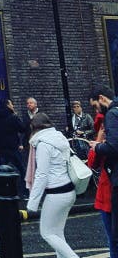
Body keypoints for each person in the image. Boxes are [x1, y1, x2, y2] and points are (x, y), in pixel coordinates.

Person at [25, 112, 79, 258]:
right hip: (69, 190)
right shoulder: (59, 137)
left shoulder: (43, 144)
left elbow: (41, 175)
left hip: (56, 193)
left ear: (34, 127)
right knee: (57, 233)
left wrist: (32, 203)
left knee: (47, 233)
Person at [91, 86, 118, 258]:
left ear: (101, 98)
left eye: (94, 106)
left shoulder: (109, 116)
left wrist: (97, 146)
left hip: (110, 185)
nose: (95, 110)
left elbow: (93, 161)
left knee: (114, 239)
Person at [88, 114, 116, 258]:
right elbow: (92, 163)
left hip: (112, 194)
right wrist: (99, 140)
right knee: (112, 241)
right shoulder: (103, 143)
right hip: (106, 196)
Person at [0, 98, 27, 197]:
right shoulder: (12, 117)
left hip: (1, 148)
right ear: (8, 105)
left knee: (2, 171)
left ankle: (2, 192)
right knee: (22, 170)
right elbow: (22, 129)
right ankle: (24, 192)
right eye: (11, 104)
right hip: (13, 147)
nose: (13, 106)